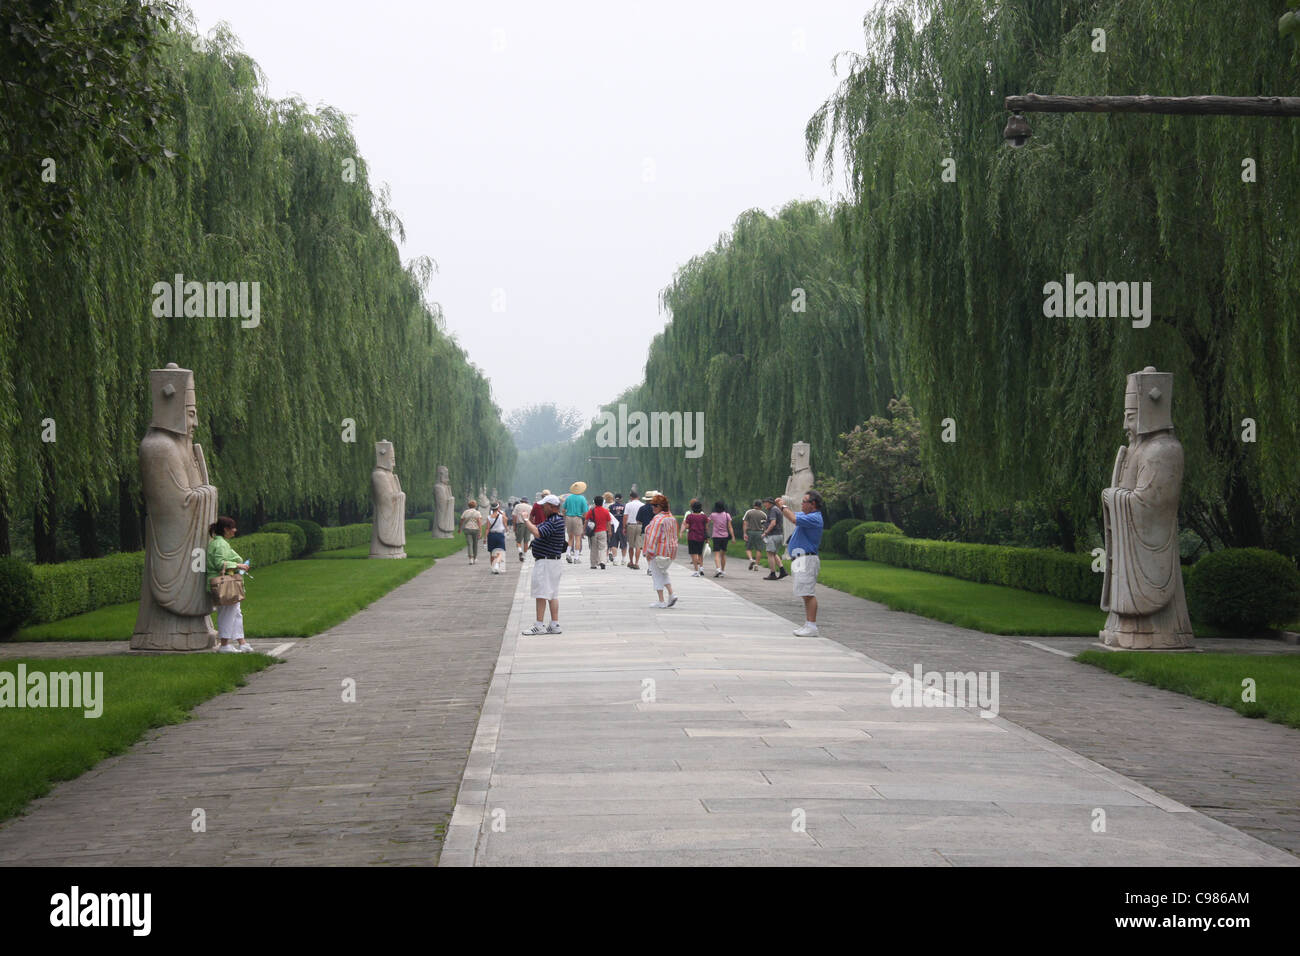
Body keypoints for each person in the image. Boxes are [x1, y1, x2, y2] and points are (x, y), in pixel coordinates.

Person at [774, 489, 826, 636]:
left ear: (813, 504)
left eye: (804, 502)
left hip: (807, 559)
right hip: (800, 558)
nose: (802, 504)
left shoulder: (815, 517)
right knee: (804, 592)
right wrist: (780, 507)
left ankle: (812, 626)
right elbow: (793, 515)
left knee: (808, 592)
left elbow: (793, 519)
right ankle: (808, 624)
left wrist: (783, 506)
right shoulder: (807, 515)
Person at [207, 516, 252, 652]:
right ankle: (224, 644)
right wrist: (238, 564)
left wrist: (238, 563)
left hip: (227, 583)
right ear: (226, 529)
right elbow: (219, 563)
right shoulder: (220, 544)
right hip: (223, 584)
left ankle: (241, 642)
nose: (235, 530)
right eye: (233, 528)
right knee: (227, 612)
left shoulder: (221, 543)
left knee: (236, 612)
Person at [522, 494, 565, 635]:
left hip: (546, 562)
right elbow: (540, 528)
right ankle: (554, 624)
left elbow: (537, 532)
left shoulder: (553, 521)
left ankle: (539, 625)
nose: (541, 508)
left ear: (551, 507)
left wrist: (526, 520)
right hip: (552, 561)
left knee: (541, 594)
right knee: (552, 594)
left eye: (544, 506)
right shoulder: (556, 520)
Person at [640, 493, 679, 608]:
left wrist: (649, 552)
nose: (653, 507)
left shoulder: (658, 519)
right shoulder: (671, 518)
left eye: (655, 505)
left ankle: (661, 600)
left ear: (661, 506)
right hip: (669, 551)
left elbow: (653, 537)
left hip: (658, 551)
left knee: (656, 575)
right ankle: (671, 594)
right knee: (662, 571)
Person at [707, 500, 738, 577]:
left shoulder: (713, 515)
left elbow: (706, 522)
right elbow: (730, 527)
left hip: (716, 537)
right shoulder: (727, 515)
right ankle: (723, 571)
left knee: (717, 554)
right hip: (725, 537)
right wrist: (733, 536)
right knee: (723, 555)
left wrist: (706, 530)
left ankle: (718, 569)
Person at [761, 496, 786, 580]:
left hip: (773, 535)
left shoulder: (773, 510)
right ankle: (782, 571)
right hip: (779, 535)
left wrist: (766, 532)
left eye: (765, 502)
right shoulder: (777, 509)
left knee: (770, 554)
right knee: (774, 553)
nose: (764, 504)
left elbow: (773, 523)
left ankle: (772, 574)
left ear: (770, 503)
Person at [584, 495, 612, 569]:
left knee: (593, 548)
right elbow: (608, 522)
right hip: (603, 531)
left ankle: (593, 564)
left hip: (593, 532)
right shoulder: (606, 511)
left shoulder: (591, 511)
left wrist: (584, 530)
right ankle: (602, 561)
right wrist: (609, 531)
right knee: (603, 548)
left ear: (595, 502)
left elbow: (586, 521)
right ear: (602, 502)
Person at [683, 499, 709, 576]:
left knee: (694, 554)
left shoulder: (689, 516)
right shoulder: (704, 517)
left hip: (692, 537)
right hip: (701, 537)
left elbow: (687, 527)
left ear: (692, 508)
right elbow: (706, 528)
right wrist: (707, 538)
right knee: (700, 553)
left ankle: (696, 571)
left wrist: (685, 525)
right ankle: (701, 568)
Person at [564, 481, 588, 563]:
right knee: (578, 538)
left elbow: (563, 509)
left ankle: (568, 553)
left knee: (570, 537)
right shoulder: (582, 498)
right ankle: (576, 558)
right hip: (577, 518)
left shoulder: (568, 498)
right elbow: (585, 512)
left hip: (568, 518)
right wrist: (584, 519)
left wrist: (565, 517)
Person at [742, 499, 767, 571]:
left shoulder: (749, 512)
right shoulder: (763, 514)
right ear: (760, 506)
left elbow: (745, 523)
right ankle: (756, 564)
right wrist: (765, 533)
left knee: (748, 548)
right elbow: (765, 525)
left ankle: (751, 559)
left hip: (750, 532)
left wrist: (744, 533)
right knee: (759, 549)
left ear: (754, 505)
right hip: (759, 533)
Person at [623, 489, 644, 569]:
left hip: (631, 525)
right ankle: (637, 562)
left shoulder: (628, 505)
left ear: (630, 497)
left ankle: (631, 561)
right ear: (638, 497)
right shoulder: (642, 504)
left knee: (631, 545)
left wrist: (624, 527)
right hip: (640, 525)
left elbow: (625, 516)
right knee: (638, 545)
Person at [485, 501, 508, 573]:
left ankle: (493, 568)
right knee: (500, 551)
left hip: (491, 535)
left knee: (492, 552)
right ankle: (497, 565)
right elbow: (505, 525)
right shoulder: (502, 516)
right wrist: (507, 531)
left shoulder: (489, 517)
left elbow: (487, 528)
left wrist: (485, 538)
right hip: (499, 535)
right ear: (498, 508)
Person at [460, 499, 483, 564]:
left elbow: (461, 520)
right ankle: (475, 558)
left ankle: (470, 558)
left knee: (469, 544)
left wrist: (460, 528)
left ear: (469, 505)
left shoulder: (465, 512)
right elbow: (479, 522)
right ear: (475, 505)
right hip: (475, 529)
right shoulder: (477, 512)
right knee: (475, 544)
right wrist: (480, 531)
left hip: (467, 529)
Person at [607, 493, 627, 565]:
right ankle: (624, 559)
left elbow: (608, 518)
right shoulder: (625, 506)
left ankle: (615, 559)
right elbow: (626, 517)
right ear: (621, 498)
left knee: (613, 543)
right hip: (622, 527)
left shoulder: (611, 507)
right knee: (623, 544)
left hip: (613, 527)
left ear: (615, 498)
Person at [512, 496, 533, 561]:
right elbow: (532, 517)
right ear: (527, 501)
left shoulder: (517, 506)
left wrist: (514, 526)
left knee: (518, 541)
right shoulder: (530, 507)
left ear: (521, 501)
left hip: (520, 525)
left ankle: (520, 551)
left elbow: (514, 516)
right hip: (528, 524)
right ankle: (525, 556)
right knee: (526, 541)